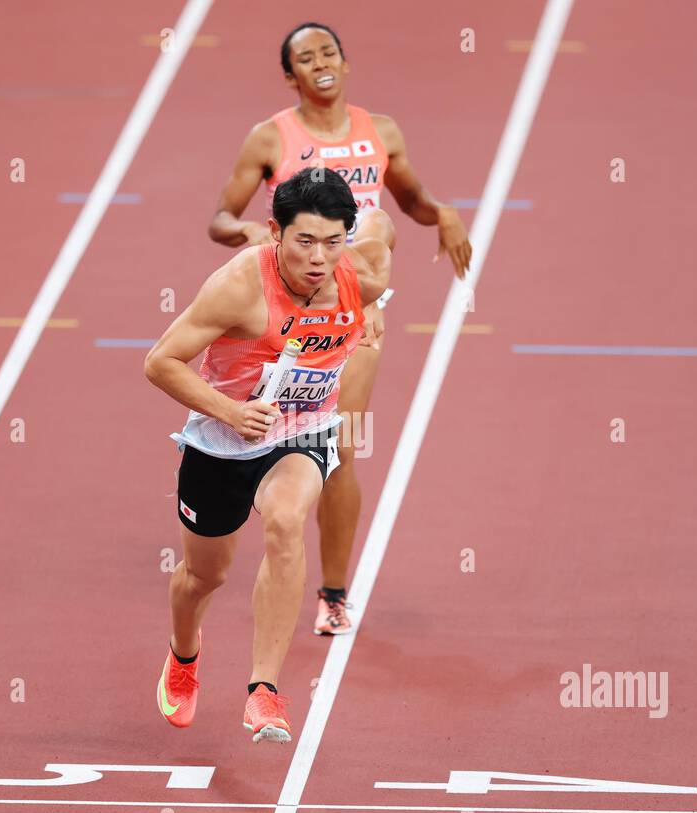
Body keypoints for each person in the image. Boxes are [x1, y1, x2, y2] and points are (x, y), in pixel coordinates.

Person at [208, 21, 471, 637]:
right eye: (306, 57)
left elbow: (409, 201)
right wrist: (252, 232)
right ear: (290, 74)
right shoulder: (269, 137)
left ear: (345, 63)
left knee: (338, 447)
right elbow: (220, 215)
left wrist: (445, 215)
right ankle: (230, 533)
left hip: (353, 315)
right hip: (280, 315)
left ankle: (332, 593)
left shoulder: (380, 132)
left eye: (328, 52)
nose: (320, 62)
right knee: (257, 433)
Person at [145, 169, 393, 743]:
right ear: (274, 232)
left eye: (333, 243)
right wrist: (230, 412)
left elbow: (383, 228)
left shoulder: (362, 273)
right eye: (304, 241)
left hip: (302, 431)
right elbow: (160, 362)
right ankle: (184, 656)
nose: (318, 258)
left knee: (286, 521)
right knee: (205, 577)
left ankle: (264, 691)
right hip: (223, 439)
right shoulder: (238, 287)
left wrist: (376, 307)